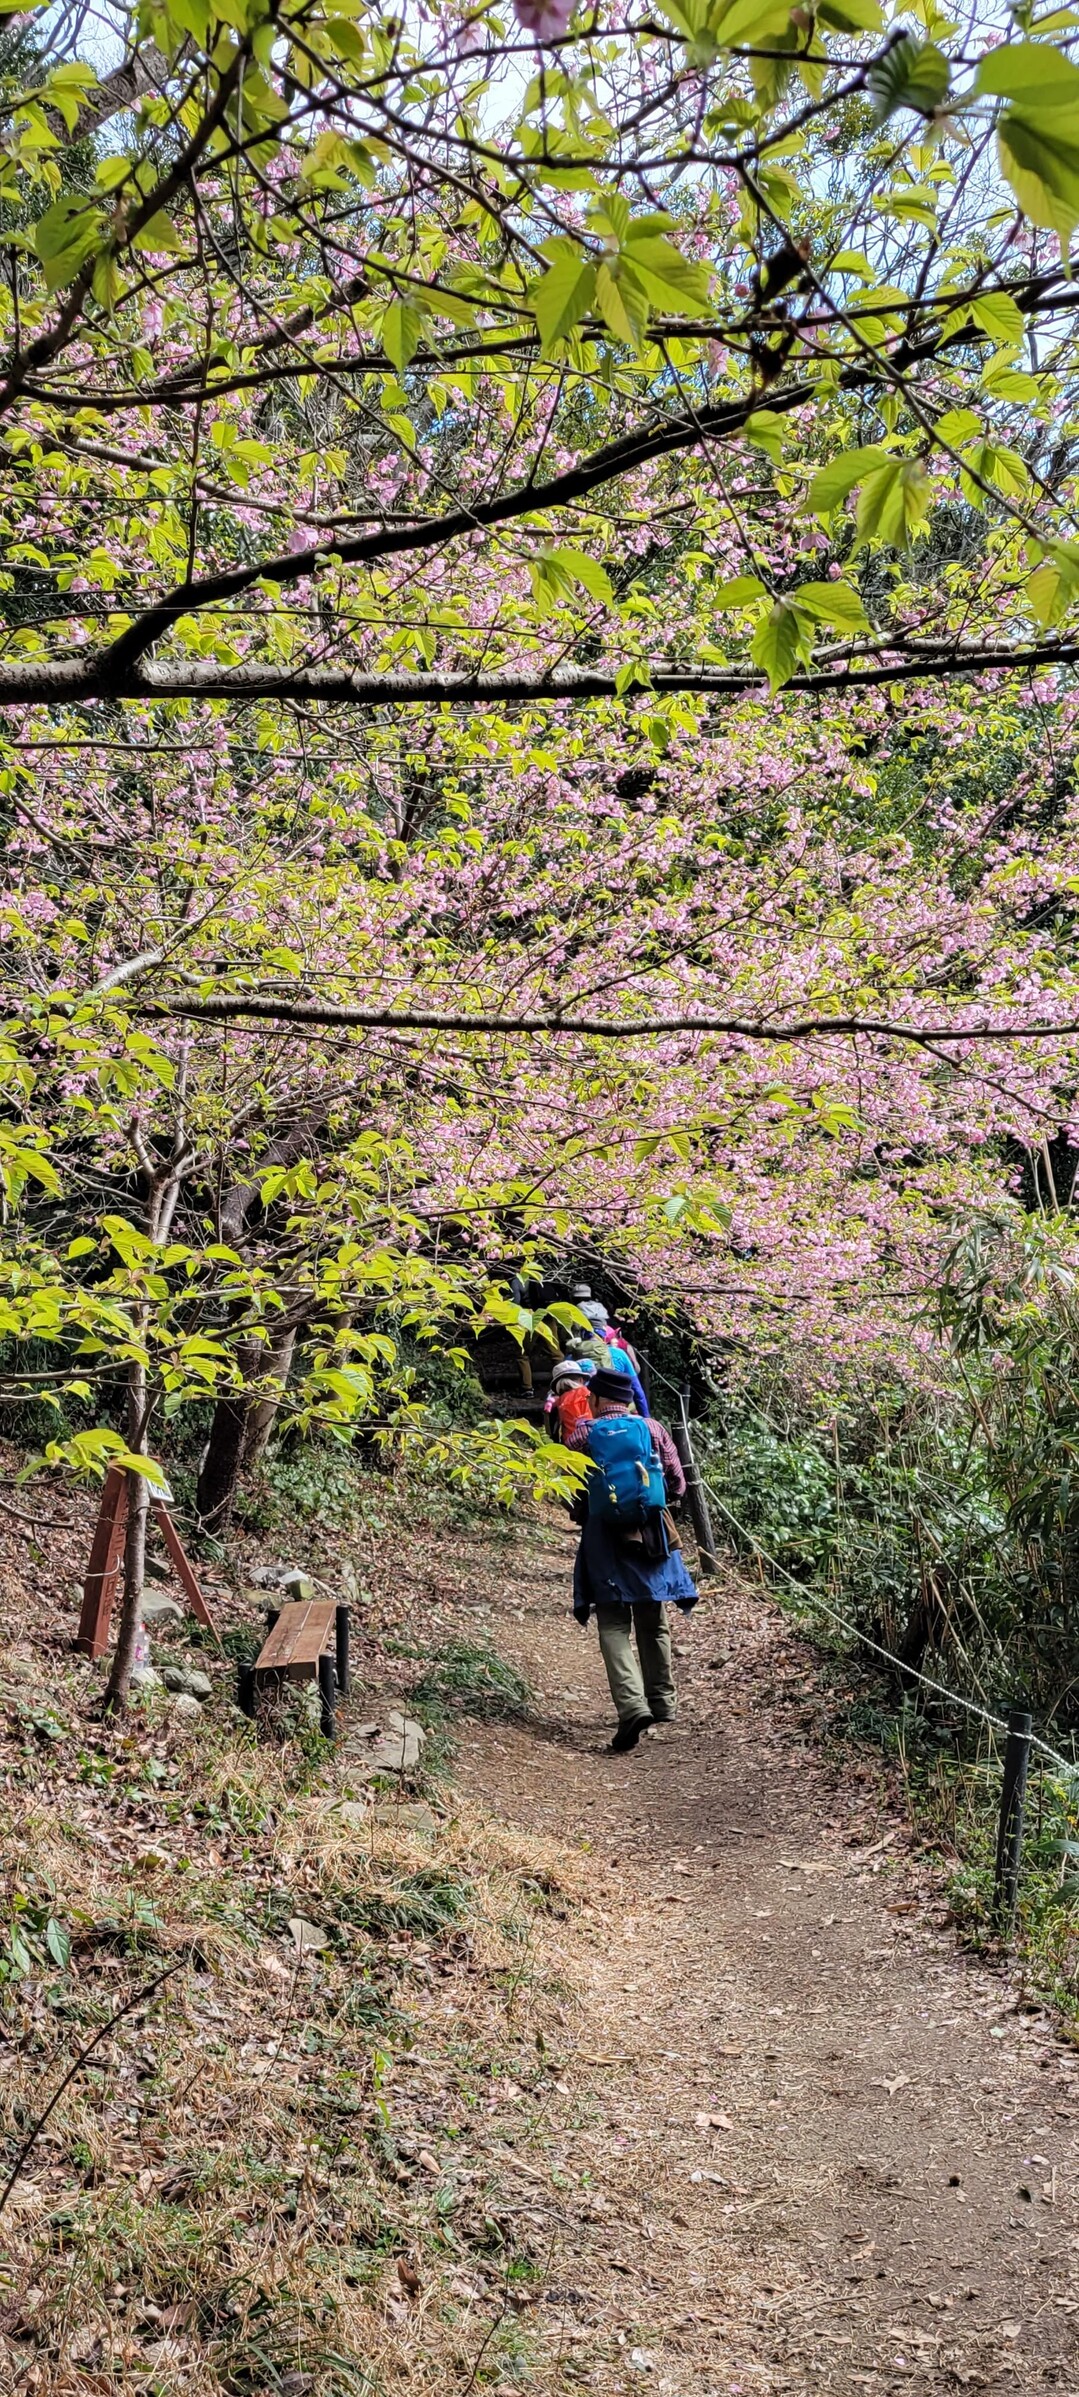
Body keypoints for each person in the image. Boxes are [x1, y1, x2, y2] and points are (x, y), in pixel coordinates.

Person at [565, 1368, 698, 1752]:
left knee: (612, 1622)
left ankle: (632, 1705)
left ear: (595, 1399)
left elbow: (565, 1485)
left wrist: (587, 1509)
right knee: (652, 1617)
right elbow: (677, 1480)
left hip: (602, 1536)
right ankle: (662, 1701)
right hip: (651, 1531)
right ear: (626, 1399)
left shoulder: (582, 1436)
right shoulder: (652, 1429)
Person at [579, 1301, 649, 1416]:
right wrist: (647, 1419)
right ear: (604, 1334)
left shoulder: (573, 1355)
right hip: (618, 1409)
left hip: (585, 1412)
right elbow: (637, 1391)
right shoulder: (618, 1353)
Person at [544, 1358, 593, 1443]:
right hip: (596, 1442)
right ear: (581, 1380)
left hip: (571, 1447)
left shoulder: (554, 1404)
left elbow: (551, 1433)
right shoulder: (592, 1394)